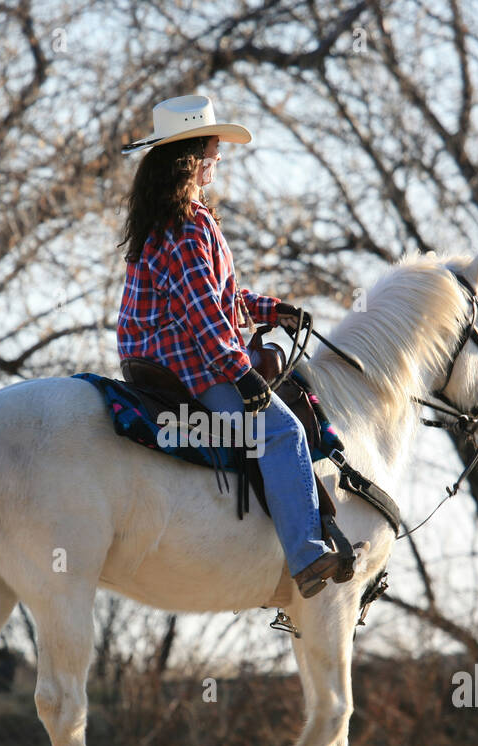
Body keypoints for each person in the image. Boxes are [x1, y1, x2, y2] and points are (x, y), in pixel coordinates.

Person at [116, 94, 354, 598]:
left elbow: (221, 297)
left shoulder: (178, 218)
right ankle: (308, 557)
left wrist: (274, 310)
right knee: (282, 432)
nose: (219, 156)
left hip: (171, 358)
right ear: (192, 154)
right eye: (213, 146)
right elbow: (203, 311)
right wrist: (241, 374)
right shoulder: (184, 225)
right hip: (185, 366)